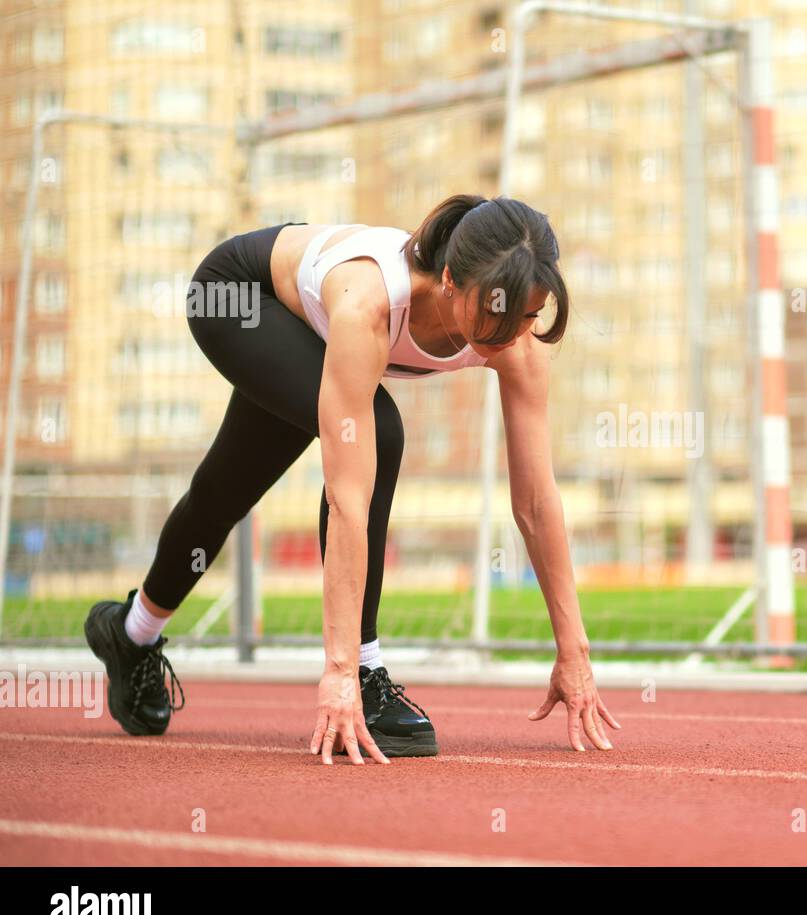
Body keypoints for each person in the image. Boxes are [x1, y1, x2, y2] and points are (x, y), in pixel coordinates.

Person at [83, 194, 620, 763]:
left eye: (530, 316)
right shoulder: (371, 303)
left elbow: (536, 502)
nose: (514, 334)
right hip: (237, 297)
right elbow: (347, 495)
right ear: (448, 283)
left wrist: (574, 651)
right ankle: (364, 671)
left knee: (226, 489)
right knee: (378, 434)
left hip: (310, 324)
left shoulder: (518, 342)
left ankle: (131, 632)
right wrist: (339, 670)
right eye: (498, 317)